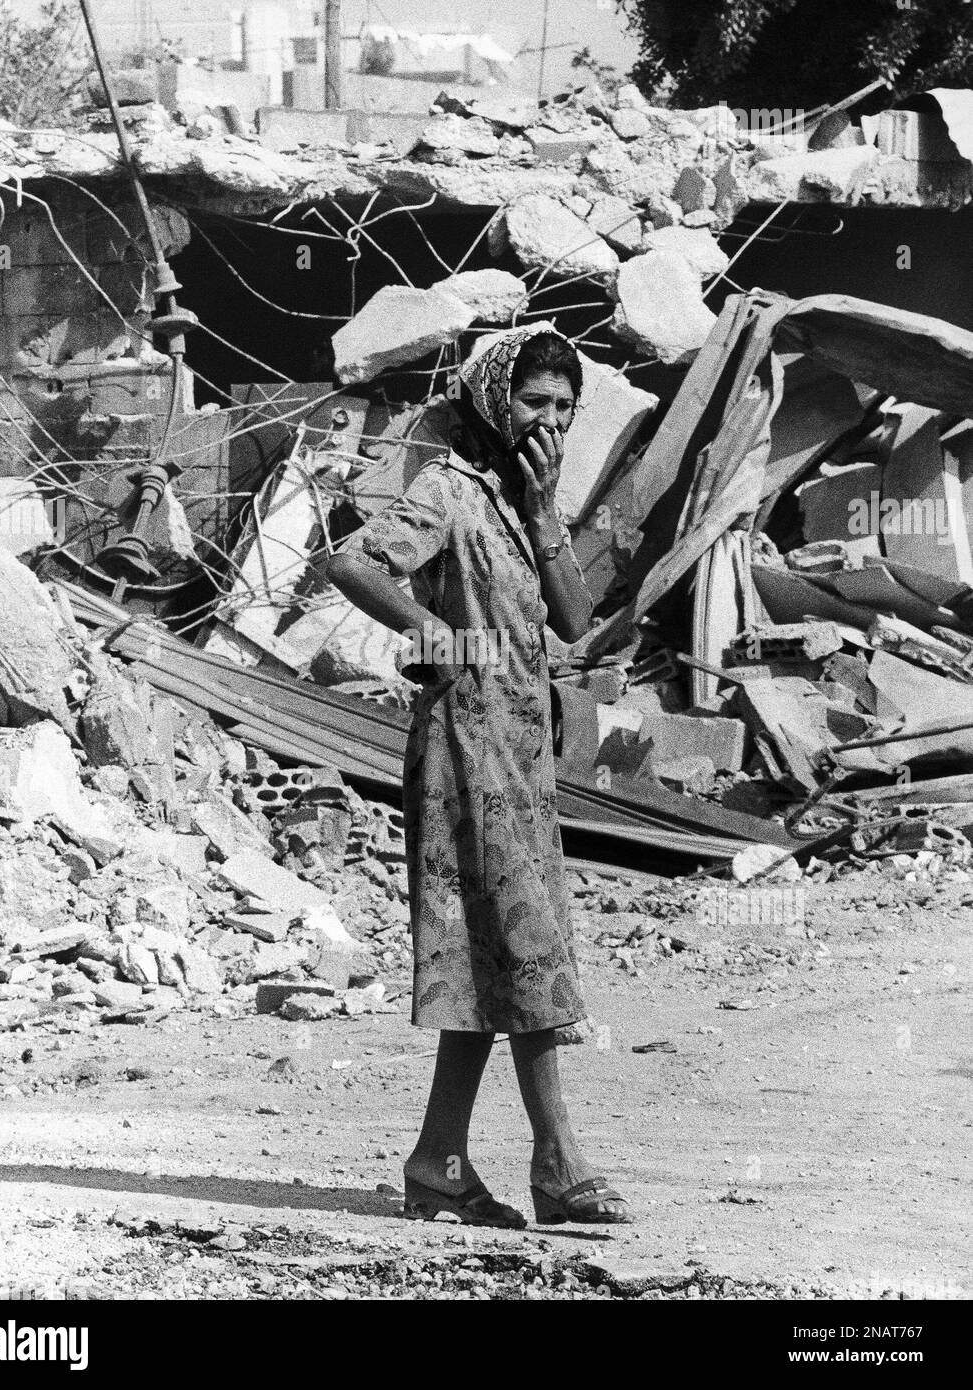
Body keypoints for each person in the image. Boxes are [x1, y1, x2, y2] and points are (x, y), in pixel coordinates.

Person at [325, 324, 629, 1227]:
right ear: (496, 399)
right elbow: (353, 561)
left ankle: (437, 1162)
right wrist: (439, 637)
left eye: (566, 408)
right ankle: (558, 1162)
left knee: (485, 961)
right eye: (536, 402)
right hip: (464, 751)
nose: (553, 423)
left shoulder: (520, 500)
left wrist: (544, 519)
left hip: (524, 760)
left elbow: (575, 619)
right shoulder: (449, 493)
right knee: (527, 945)